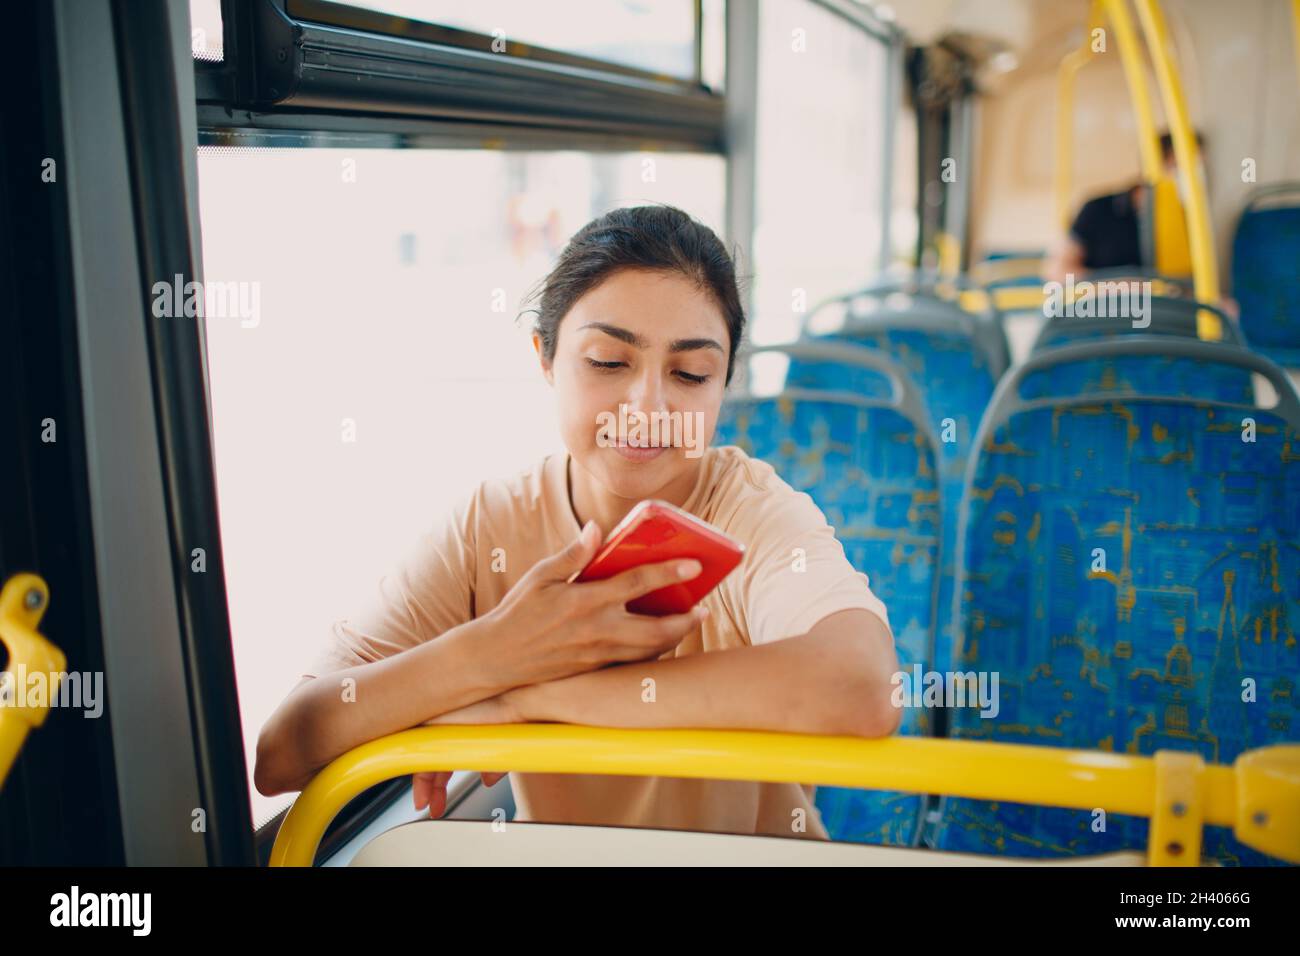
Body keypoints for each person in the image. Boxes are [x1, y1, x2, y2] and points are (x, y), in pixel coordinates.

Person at [254, 204, 900, 841]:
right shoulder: (489, 527)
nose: (648, 406)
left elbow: (863, 688)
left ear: (723, 382)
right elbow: (284, 751)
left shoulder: (754, 513)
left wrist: (522, 697)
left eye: (690, 373)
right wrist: (492, 653)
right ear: (545, 357)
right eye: (609, 363)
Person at [1045, 130, 1203, 284]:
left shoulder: (1190, 221)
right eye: (1180, 167)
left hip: (1164, 308)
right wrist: (1119, 285)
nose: (1194, 178)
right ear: (1153, 167)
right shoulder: (1097, 209)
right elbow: (1057, 270)